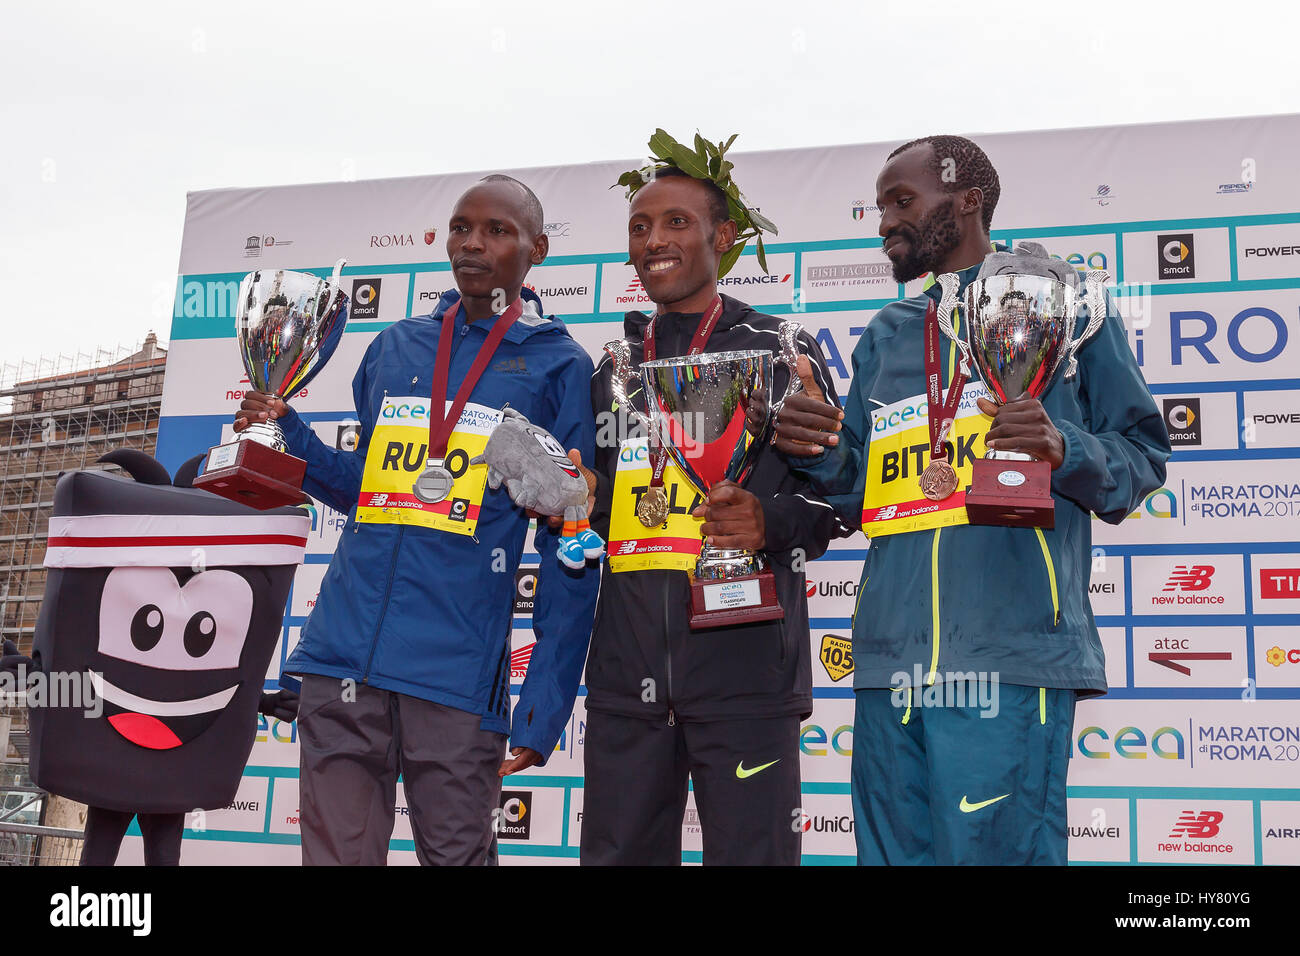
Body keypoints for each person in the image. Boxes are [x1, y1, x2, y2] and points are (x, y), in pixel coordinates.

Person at [772, 135, 1171, 865]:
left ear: (968, 200)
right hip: (890, 664)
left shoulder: (1065, 303)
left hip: (1010, 659)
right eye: (882, 204)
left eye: (902, 201)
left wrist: (1066, 447)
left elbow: (1142, 457)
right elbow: (860, 492)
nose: (885, 221)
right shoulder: (888, 333)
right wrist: (820, 449)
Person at [235, 175, 599, 865]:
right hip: (342, 657)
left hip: (454, 676)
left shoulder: (558, 366)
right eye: (462, 227)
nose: (473, 243)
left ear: (539, 249)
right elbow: (370, 493)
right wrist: (292, 437)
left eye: (497, 230)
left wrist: (545, 702)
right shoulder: (395, 348)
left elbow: (570, 541)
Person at [578, 150, 846, 866]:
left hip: (746, 675)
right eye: (640, 226)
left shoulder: (783, 350)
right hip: (626, 683)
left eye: (675, 222)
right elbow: (607, 513)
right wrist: (571, 500)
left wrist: (771, 523)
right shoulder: (614, 366)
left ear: (723, 236)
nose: (654, 240)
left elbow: (838, 502)